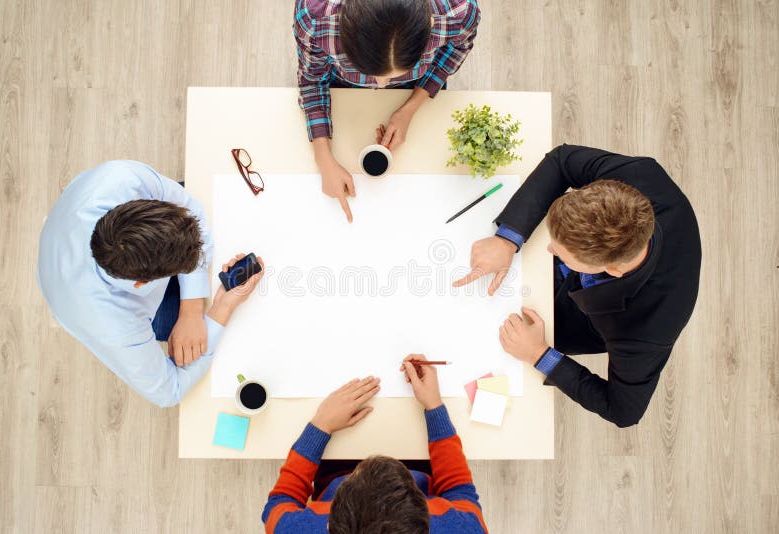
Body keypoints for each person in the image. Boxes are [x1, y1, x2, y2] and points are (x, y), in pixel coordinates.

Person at [453, 145, 702, 428]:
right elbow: (562, 161)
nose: (548, 249)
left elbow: (624, 412)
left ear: (612, 269)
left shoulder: (645, 332)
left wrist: (540, 354)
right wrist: (508, 239)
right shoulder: (639, 176)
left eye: (561, 252)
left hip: (578, 320)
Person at [37, 160, 264, 407]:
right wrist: (222, 307)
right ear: (142, 284)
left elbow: (191, 210)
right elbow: (169, 392)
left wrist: (192, 310)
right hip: (72, 293)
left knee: (194, 192)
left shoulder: (123, 179)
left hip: (69, 240)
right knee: (180, 343)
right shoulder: (114, 324)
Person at [294, 0, 481, 222]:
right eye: (372, 72)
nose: (382, 85)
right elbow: (313, 80)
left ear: (431, 25)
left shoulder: (458, 12)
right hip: (342, 88)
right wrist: (323, 158)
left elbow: (456, 49)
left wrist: (411, 107)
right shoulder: (315, 18)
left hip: (418, 86)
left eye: (395, 74)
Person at [262, 355, 487, 532]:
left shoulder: (296, 529)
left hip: (331, 473)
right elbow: (459, 491)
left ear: (329, 524)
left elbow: (281, 501)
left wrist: (321, 425)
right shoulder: (463, 528)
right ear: (425, 516)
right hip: (423, 468)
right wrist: (434, 407)